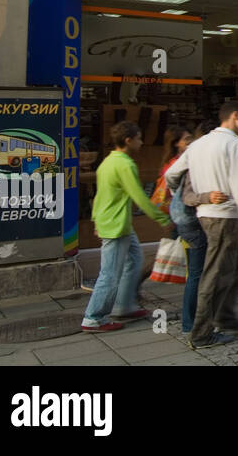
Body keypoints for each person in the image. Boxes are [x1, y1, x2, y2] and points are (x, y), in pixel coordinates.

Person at [166, 100, 238, 350]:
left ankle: (224, 315)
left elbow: (171, 174)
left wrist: (194, 199)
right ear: (235, 116)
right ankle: (202, 332)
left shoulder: (198, 145)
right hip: (224, 216)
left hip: (208, 214)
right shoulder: (235, 145)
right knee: (214, 272)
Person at [81, 121, 172, 333]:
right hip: (116, 224)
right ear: (128, 140)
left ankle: (124, 306)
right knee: (109, 274)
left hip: (113, 221)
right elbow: (139, 197)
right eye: (139, 138)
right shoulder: (125, 164)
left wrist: (95, 219)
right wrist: (163, 219)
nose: (141, 142)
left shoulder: (108, 161)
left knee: (134, 260)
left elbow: (100, 194)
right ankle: (93, 317)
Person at [165, 120, 228, 337]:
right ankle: (192, 323)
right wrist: (205, 198)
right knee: (198, 274)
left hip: (187, 218)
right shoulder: (198, 156)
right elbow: (186, 192)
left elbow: (172, 178)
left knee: (198, 273)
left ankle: (195, 321)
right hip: (191, 220)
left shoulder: (195, 155)